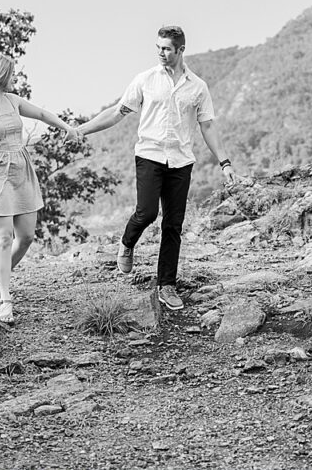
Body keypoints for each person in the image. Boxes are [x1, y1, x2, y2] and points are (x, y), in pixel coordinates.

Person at [74, 25, 238, 311]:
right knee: (147, 212)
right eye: (158, 47)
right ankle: (127, 243)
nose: (160, 53)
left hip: (181, 161)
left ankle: (166, 285)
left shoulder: (197, 87)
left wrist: (224, 163)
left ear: (180, 50)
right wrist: (82, 130)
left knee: (173, 225)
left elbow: (208, 126)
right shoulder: (145, 80)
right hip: (149, 156)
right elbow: (116, 113)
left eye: (166, 49)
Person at [0, 52, 79, 326]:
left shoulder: (12, 101)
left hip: (22, 169)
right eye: (10, 73)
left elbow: (43, 114)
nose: (13, 78)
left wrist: (66, 128)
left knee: (25, 237)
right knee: (2, 238)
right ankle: (5, 300)